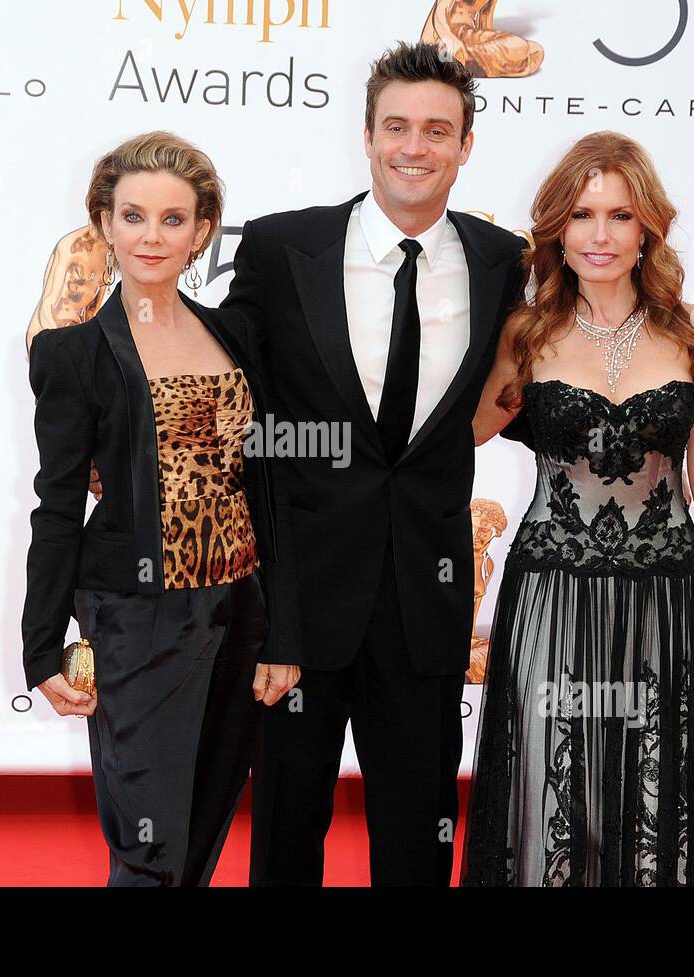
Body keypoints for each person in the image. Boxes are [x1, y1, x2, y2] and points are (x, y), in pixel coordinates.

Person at [220, 41, 529, 886]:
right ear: (366, 135)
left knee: (418, 843)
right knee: (285, 836)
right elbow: (220, 385)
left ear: (467, 145)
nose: (414, 147)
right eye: (397, 126)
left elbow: (528, 389)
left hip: (424, 600)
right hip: (298, 603)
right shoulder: (285, 248)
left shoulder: (504, 264)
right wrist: (120, 439)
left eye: (438, 130)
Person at [21, 131, 299, 886]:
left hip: (239, 608)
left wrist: (282, 628)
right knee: (149, 850)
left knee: (204, 833)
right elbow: (55, 505)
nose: (152, 236)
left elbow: (268, 486)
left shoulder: (233, 333)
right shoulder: (72, 354)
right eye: (134, 215)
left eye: (173, 220)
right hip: (139, 619)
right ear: (104, 222)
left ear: (203, 230)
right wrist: (42, 646)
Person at [464, 130, 694, 886]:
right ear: (558, 227)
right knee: (549, 790)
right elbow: (461, 435)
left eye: (619, 216)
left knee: (646, 791)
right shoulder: (527, 333)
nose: (600, 235)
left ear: (648, 226)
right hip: (550, 588)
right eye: (583, 215)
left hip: (664, 592)